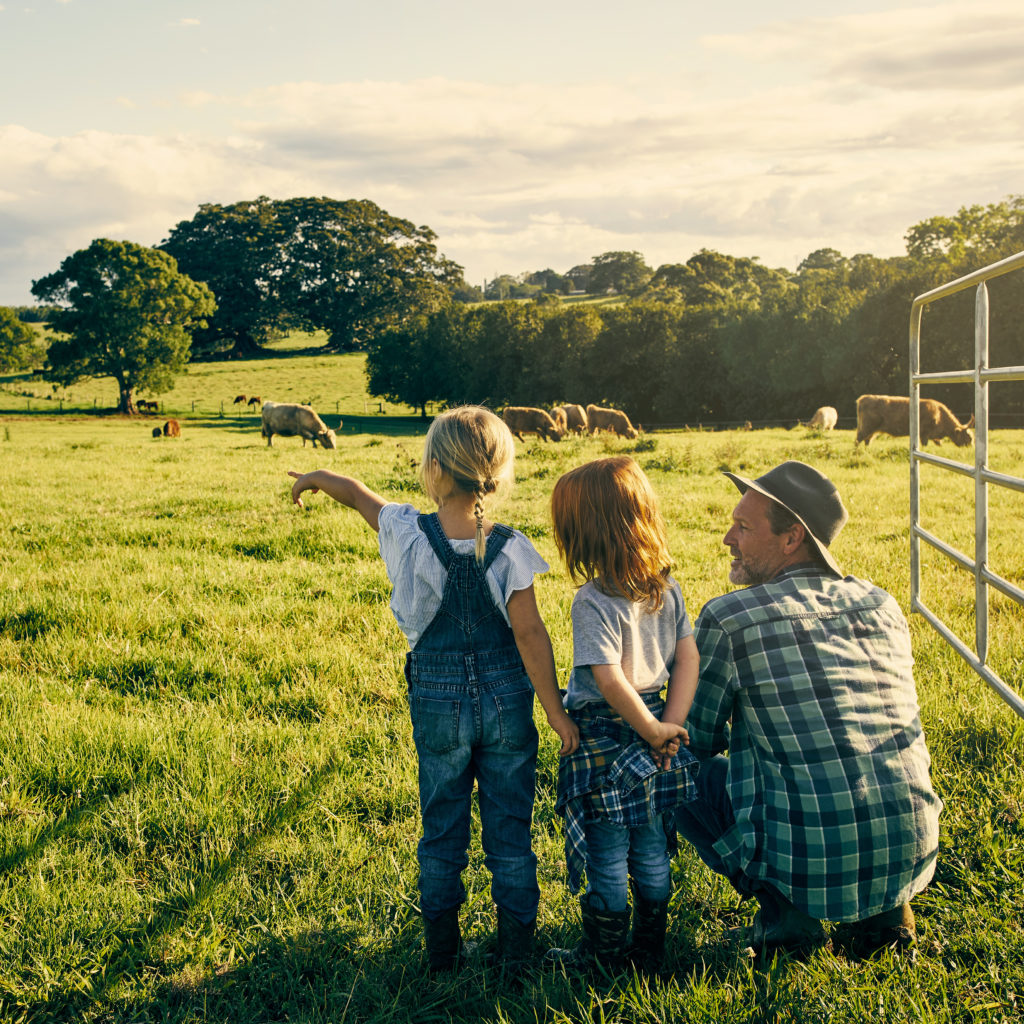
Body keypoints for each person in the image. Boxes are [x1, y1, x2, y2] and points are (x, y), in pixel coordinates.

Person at [288, 406, 579, 972]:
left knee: (442, 825)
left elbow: (356, 495)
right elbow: (530, 633)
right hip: (507, 703)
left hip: (438, 701)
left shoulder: (405, 530)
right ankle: (517, 953)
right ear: (497, 470)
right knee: (510, 832)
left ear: (435, 469)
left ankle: (443, 954)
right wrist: (557, 713)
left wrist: (315, 479)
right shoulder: (511, 546)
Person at [676, 460, 942, 957]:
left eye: (743, 527)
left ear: (792, 537)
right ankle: (886, 914)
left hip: (812, 860)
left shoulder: (731, 616)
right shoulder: (881, 604)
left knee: (670, 763)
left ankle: (787, 914)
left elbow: (696, 737)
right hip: (912, 848)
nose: (727, 539)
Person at [545, 457, 699, 971]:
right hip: (656, 727)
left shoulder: (592, 601)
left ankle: (604, 954)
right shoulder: (667, 587)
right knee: (653, 843)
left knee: (607, 851)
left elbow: (608, 681)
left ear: (584, 534)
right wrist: (666, 727)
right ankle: (649, 948)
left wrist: (653, 729)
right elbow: (687, 658)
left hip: (608, 737)